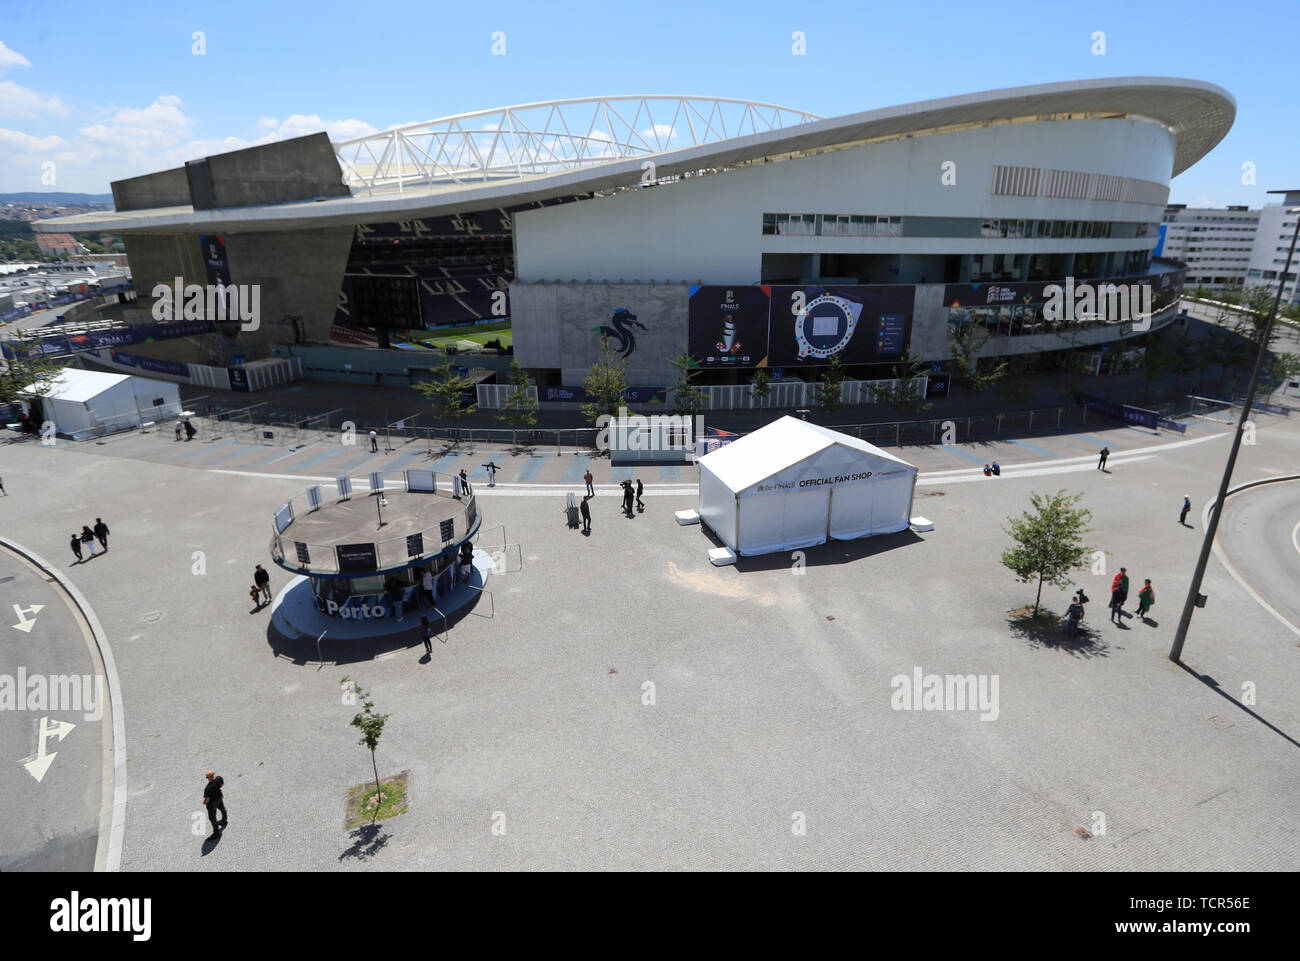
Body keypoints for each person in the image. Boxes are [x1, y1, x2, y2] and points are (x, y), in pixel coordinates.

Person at [203, 770, 227, 838]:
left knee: (212, 818)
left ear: (208, 778)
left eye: (207, 777)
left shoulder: (207, 788)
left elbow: (207, 800)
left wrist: (204, 802)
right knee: (222, 809)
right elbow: (222, 785)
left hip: (212, 804)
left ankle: (216, 833)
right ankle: (224, 821)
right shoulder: (218, 779)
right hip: (219, 798)